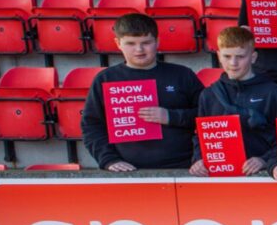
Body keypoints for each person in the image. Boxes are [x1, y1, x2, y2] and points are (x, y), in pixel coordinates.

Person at [80, 11, 202, 172]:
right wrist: (109, 159)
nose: (139, 49)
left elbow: (208, 116)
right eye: (130, 43)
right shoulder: (106, 79)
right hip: (127, 170)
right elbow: (92, 126)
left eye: (146, 42)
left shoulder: (182, 74)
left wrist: (171, 116)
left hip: (185, 167)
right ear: (118, 43)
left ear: (157, 41)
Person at [188, 26, 277, 175]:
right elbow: (201, 135)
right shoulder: (208, 95)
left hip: (264, 176)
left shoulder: (275, 93)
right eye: (227, 56)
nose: (233, 63)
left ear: (253, 57)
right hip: (221, 175)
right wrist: (199, 159)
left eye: (240, 57)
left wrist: (265, 160)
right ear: (218, 56)